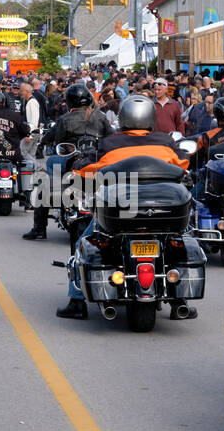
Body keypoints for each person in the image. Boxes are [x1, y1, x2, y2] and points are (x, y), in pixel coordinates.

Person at [55, 95, 195, 321]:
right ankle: (181, 300)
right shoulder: (165, 143)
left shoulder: (110, 144)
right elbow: (184, 165)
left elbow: (86, 168)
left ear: (123, 118)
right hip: (160, 212)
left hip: (122, 212)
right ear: (150, 117)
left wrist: (78, 168)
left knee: (83, 242)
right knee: (181, 241)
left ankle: (77, 301)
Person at [24, 83, 110, 239]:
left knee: (47, 175)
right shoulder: (101, 117)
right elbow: (111, 138)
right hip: (97, 162)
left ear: (70, 101)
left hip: (74, 161)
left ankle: (39, 228)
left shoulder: (65, 119)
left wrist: (44, 142)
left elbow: (57, 141)